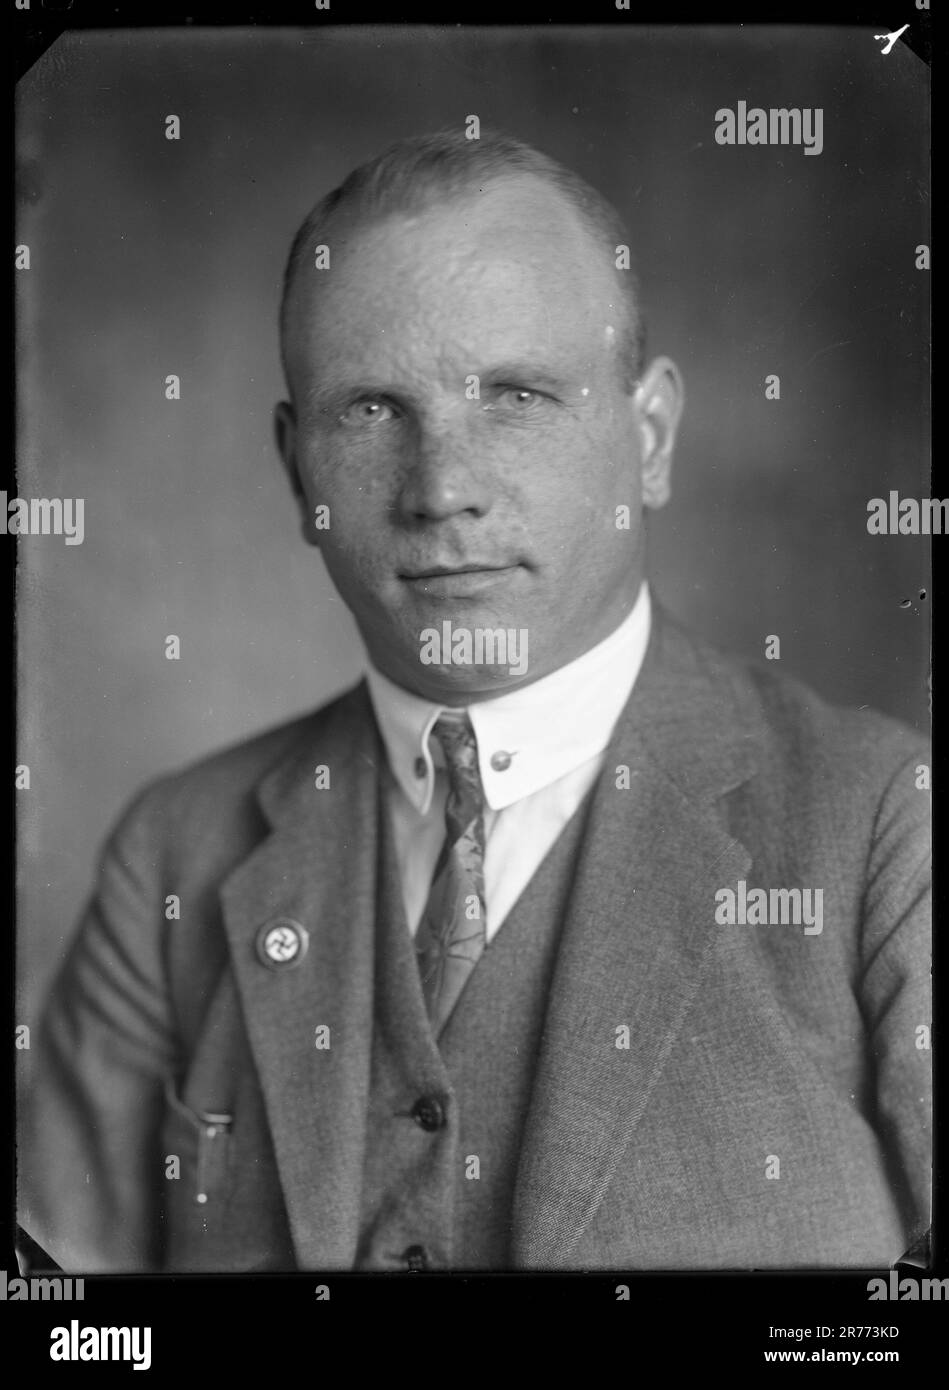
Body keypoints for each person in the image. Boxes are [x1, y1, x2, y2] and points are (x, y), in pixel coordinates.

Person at [20, 129, 931, 1272]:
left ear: (648, 437)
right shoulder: (172, 856)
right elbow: (60, 1323)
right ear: (294, 466)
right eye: (369, 411)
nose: (442, 489)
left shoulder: (884, 827)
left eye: (516, 394)